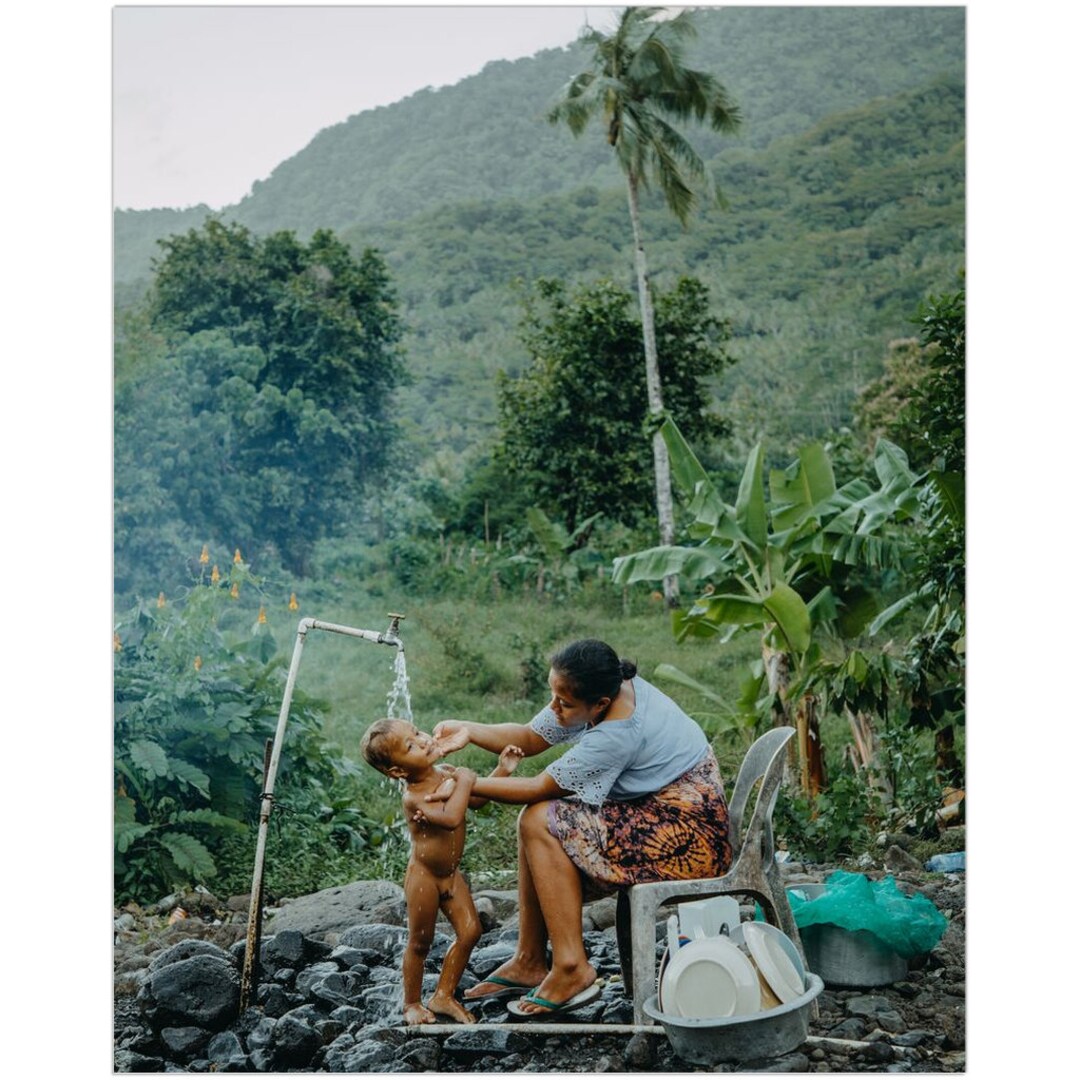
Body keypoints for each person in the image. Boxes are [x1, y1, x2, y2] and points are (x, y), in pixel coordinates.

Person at [429, 638, 733, 1019]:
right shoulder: (607, 684)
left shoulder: (617, 732)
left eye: (564, 703)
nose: (554, 707)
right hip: (660, 808)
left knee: (539, 819)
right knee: (535, 820)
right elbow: (528, 737)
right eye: (553, 695)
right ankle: (529, 958)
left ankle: (572, 966)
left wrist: (465, 782)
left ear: (599, 704)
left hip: (691, 838)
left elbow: (537, 787)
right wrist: (467, 729)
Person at [359, 717, 523, 1024]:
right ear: (398, 771)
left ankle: (443, 995)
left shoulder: (446, 772)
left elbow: (475, 801)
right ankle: (411, 1003)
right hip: (424, 878)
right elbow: (450, 817)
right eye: (410, 745)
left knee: (471, 932)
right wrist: (464, 780)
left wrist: (502, 770)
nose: (423, 740)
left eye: (417, 732)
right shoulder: (414, 796)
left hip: (450, 874)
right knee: (420, 941)